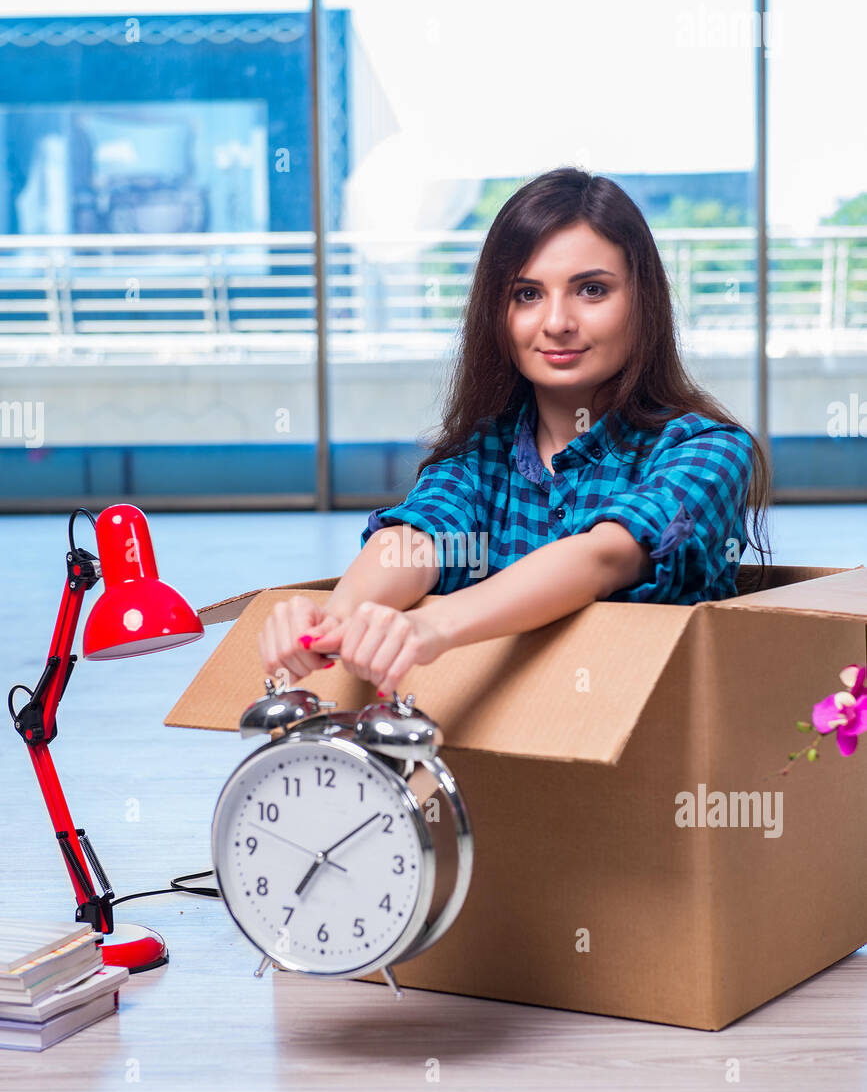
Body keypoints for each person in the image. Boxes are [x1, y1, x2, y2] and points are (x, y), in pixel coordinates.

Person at [258, 167, 771, 698]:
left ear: (644, 302)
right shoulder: (479, 460)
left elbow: (601, 556)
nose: (556, 321)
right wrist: (334, 620)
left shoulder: (707, 451)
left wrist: (431, 627)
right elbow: (412, 541)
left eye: (591, 290)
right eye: (527, 294)